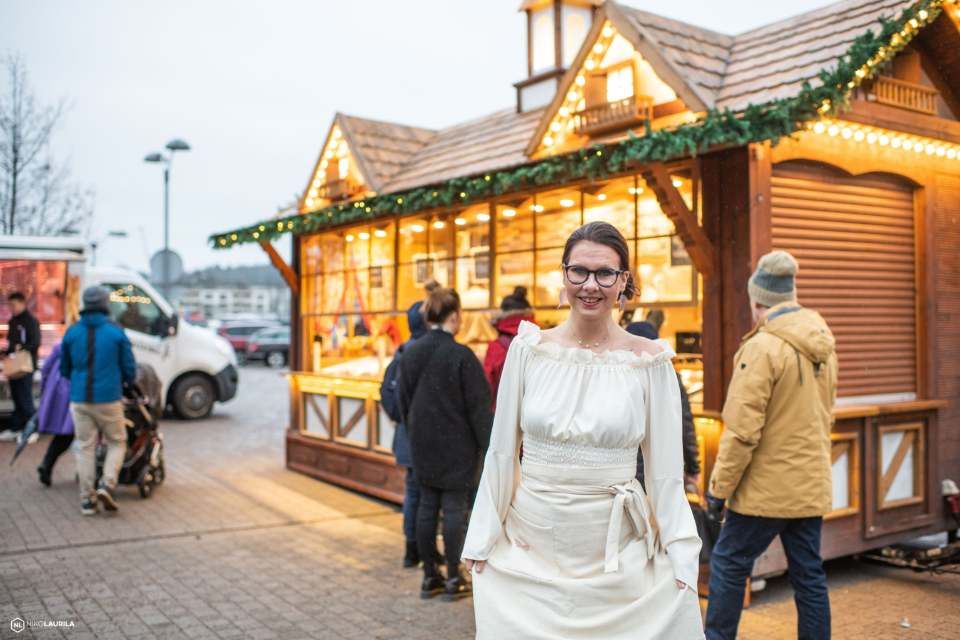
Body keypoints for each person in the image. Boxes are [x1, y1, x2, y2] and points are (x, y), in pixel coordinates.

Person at [463, 221, 703, 639]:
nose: (590, 285)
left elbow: (665, 471)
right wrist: (482, 535)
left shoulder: (649, 362)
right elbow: (501, 452)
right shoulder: (529, 350)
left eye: (605, 273)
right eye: (579, 271)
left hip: (616, 553)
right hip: (531, 547)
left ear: (623, 281)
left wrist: (682, 551)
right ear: (564, 274)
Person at [704, 250, 838, 640]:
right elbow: (825, 412)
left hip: (765, 491)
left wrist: (719, 490)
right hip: (809, 483)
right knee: (809, 574)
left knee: (729, 564)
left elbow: (742, 431)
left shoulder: (761, 348)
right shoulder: (823, 343)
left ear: (757, 301)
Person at [397, 286, 493, 602]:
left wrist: (415, 431)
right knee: (454, 510)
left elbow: (402, 402)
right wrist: (489, 447)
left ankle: (429, 577)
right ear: (454, 316)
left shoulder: (411, 353)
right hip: (457, 446)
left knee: (426, 508)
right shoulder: (462, 356)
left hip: (422, 443)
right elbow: (480, 409)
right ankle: (454, 576)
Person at [60, 286, 137, 516]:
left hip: (80, 399)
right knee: (117, 441)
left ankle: (87, 501)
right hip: (109, 398)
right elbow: (129, 368)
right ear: (105, 305)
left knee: (85, 447)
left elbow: (64, 368)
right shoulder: (116, 332)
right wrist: (126, 383)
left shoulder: (72, 332)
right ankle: (107, 484)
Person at [380, 285, 435, 568]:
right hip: (424, 437)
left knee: (413, 493)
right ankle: (423, 551)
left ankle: (411, 549)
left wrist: (400, 418)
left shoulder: (402, 352)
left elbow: (386, 393)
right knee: (425, 495)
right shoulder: (426, 352)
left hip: (406, 436)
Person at [624, 320, 700, 490]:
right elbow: (684, 425)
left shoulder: (617, 376)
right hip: (663, 468)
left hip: (625, 474)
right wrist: (693, 468)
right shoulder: (669, 377)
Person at [0, 292, 41, 442]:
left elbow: (35, 343)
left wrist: (21, 348)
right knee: (17, 398)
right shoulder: (13, 321)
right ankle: (16, 428)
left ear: (23, 303)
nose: (11, 308)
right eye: (9, 305)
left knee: (25, 398)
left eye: (13, 305)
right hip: (13, 366)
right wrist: (5, 353)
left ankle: (32, 429)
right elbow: (11, 344)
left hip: (26, 366)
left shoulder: (31, 321)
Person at [483, 286, 534, 408]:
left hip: (504, 409)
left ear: (501, 316)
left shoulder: (496, 347)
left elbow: (488, 386)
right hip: (535, 412)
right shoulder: (541, 340)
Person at [35, 343, 75, 487]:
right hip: (76, 392)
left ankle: (47, 463)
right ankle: (85, 472)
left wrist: (45, 388)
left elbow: (46, 368)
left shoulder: (61, 345)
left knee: (65, 434)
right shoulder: (88, 343)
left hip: (57, 391)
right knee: (74, 433)